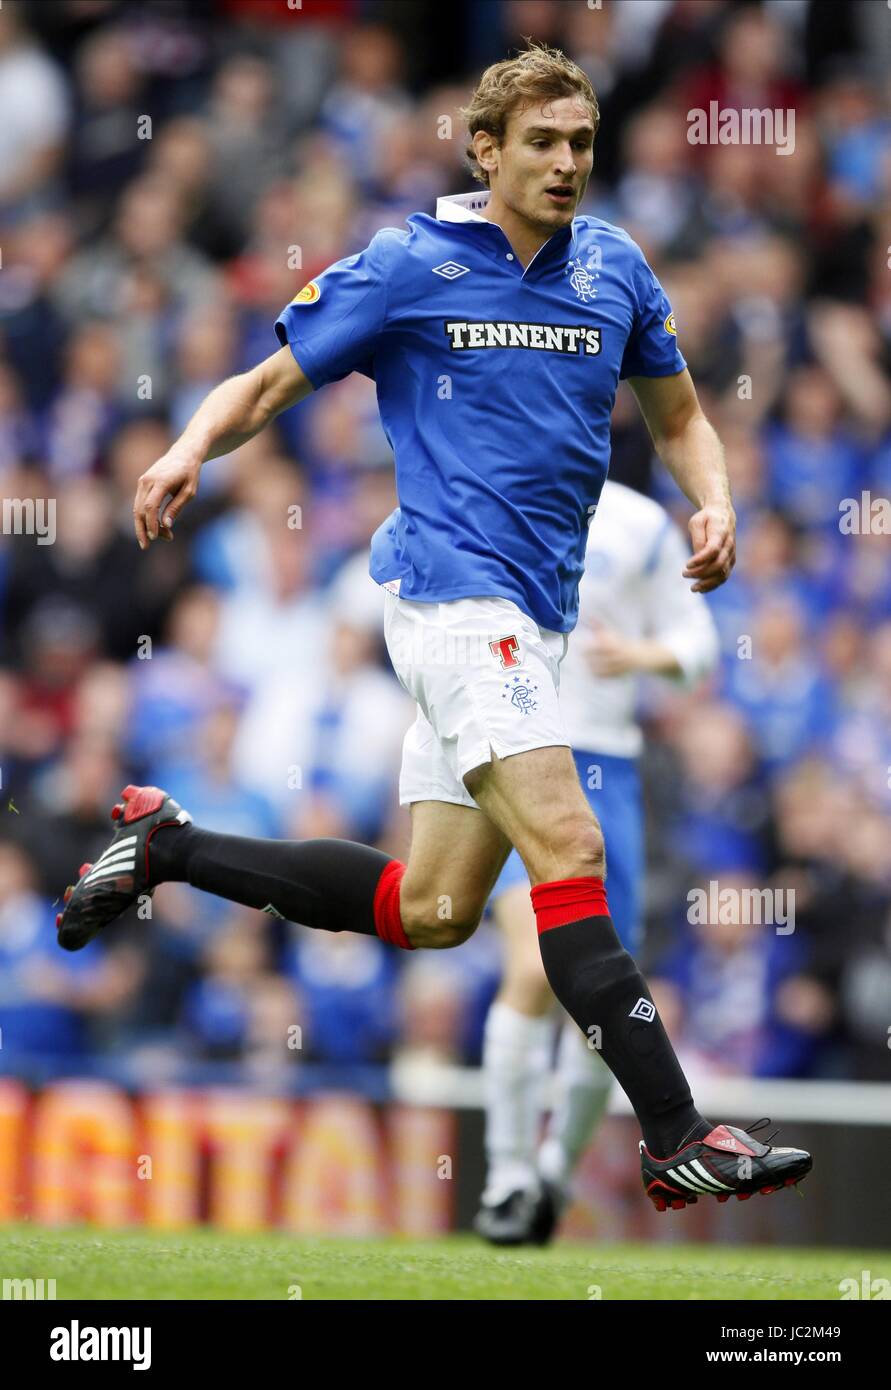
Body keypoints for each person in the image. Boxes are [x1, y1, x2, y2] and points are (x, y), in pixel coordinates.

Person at [57, 42, 811, 1211]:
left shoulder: (614, 266)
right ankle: (675, 1132)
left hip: (533, 624)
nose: (567, 164)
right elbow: (266, 382)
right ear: (486, 150)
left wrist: (713, 499)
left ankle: (168, 847)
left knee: (436, 910)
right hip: (451, 603)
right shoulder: (410, 264)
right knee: (575, 852)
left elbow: (682, 417)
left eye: (582, 144)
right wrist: (187, 444)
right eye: (544, 144)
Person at [475, 480, 720, 1244]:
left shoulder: (641, 523)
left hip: (606, 768)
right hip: (515, 749)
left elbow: (699, 647)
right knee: (532, 967)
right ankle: (506, 1177)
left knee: (597, 996)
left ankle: (551, 1172)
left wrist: (639, 655)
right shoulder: (500, 487)